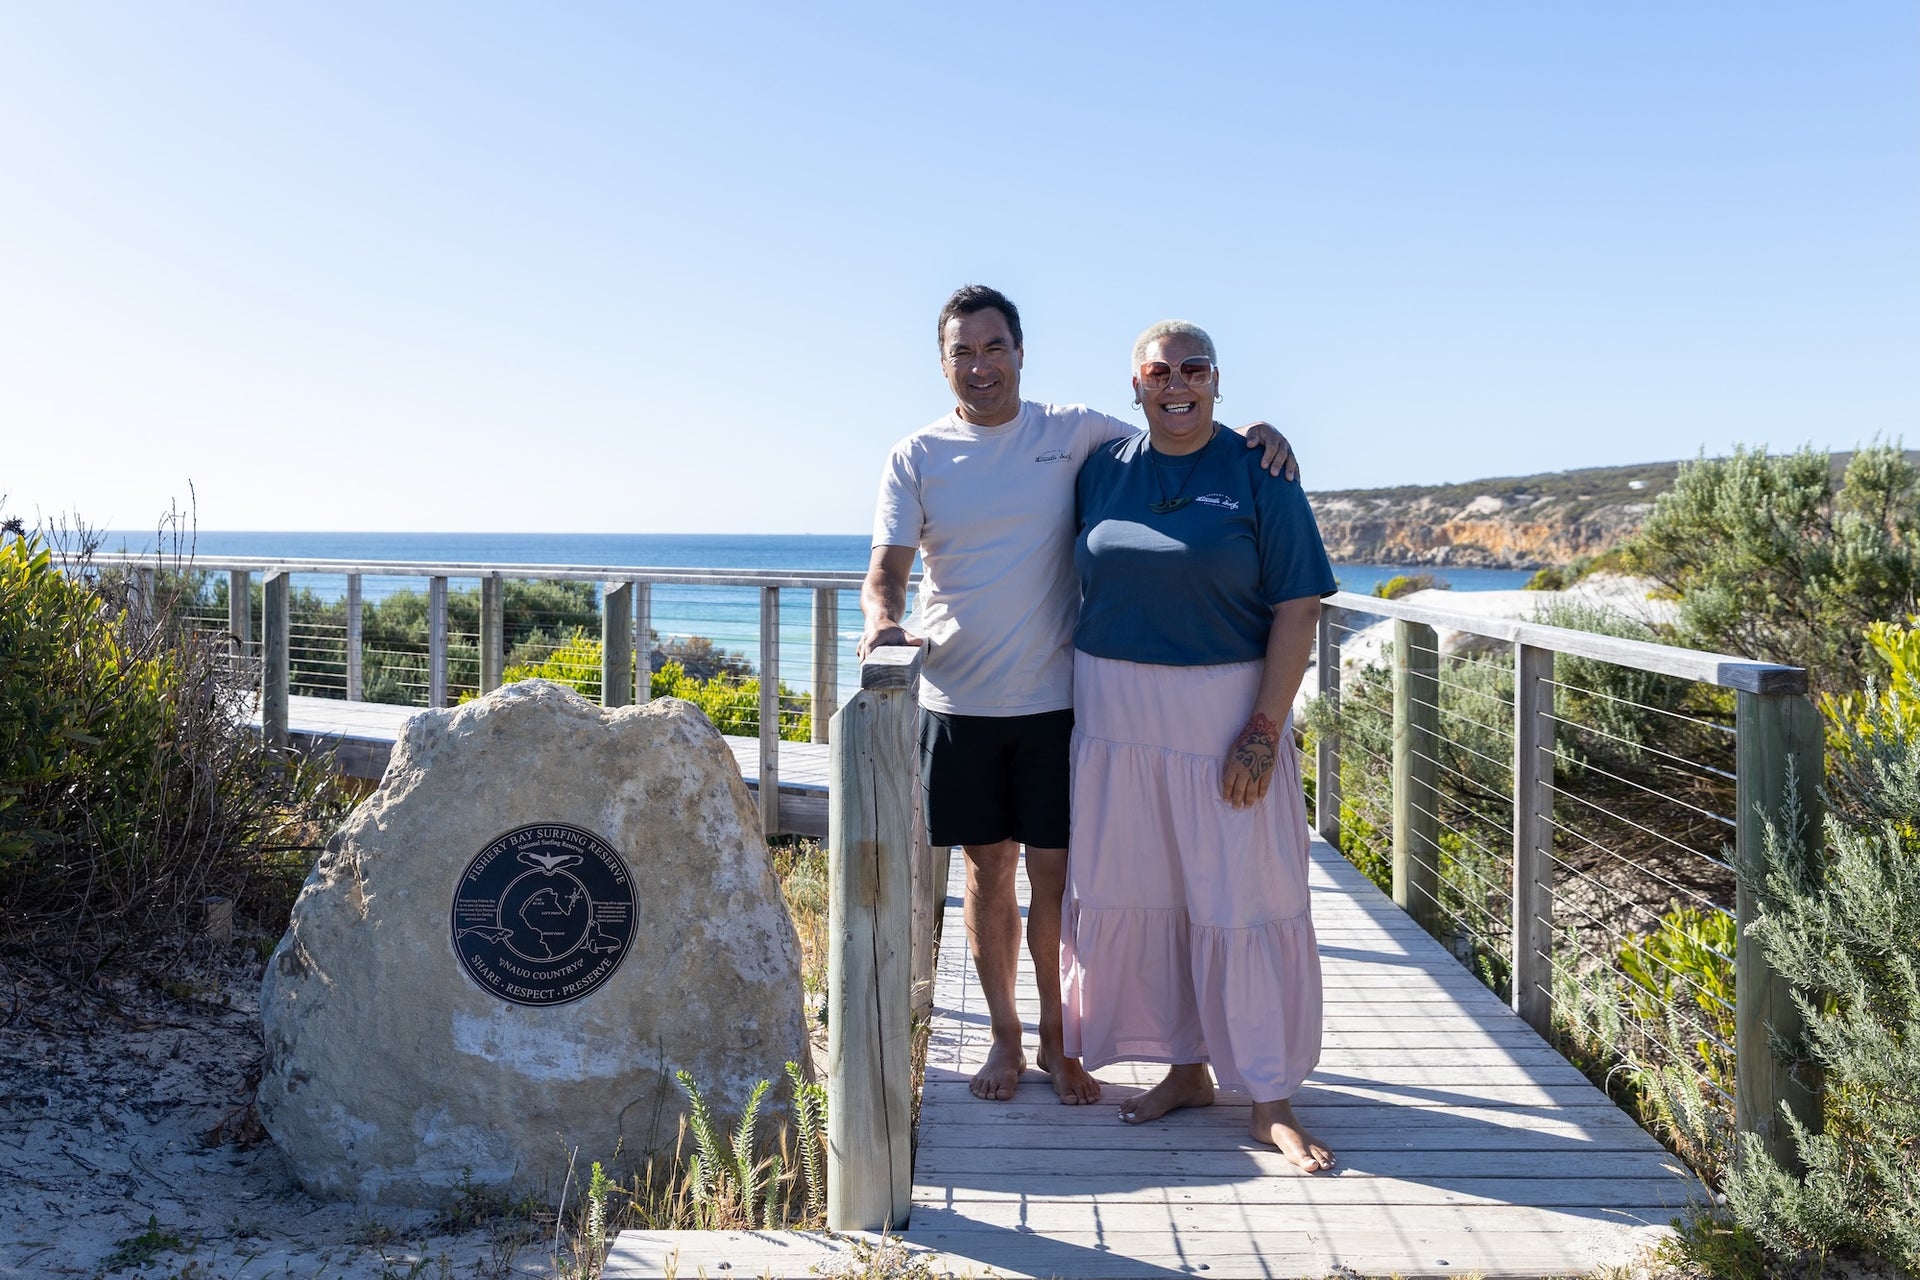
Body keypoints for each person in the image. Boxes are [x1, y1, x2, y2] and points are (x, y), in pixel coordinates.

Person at [860, 286, 1295, 1105]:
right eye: (963, 352)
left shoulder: (1077, 434)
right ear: (944, 362)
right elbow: (884, 573)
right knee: (989, 879)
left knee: (1058, 882)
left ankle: (1061, 1043)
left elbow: (1180, 432)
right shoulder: (916, 455)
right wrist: (882, 624)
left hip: (1062, 704)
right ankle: (1004, 1040)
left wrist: (1257, 439)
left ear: (1021, 353)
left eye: (995, 348)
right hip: (958, 703)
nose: (980, 366)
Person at [1061, 319, 1338, 1172]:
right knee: (1151, 894)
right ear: (1134, 385)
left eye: (1193, 368)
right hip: (1113, 719)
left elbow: (1299, 608)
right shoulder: (1100, 469)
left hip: (1223, 715)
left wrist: (1264, 731)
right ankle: (1187, 1069)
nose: (1175, 383)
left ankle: (1270, 1097)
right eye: (1158, 371)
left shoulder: (1261, 470)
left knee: (1244, 899)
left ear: (1218, 381)